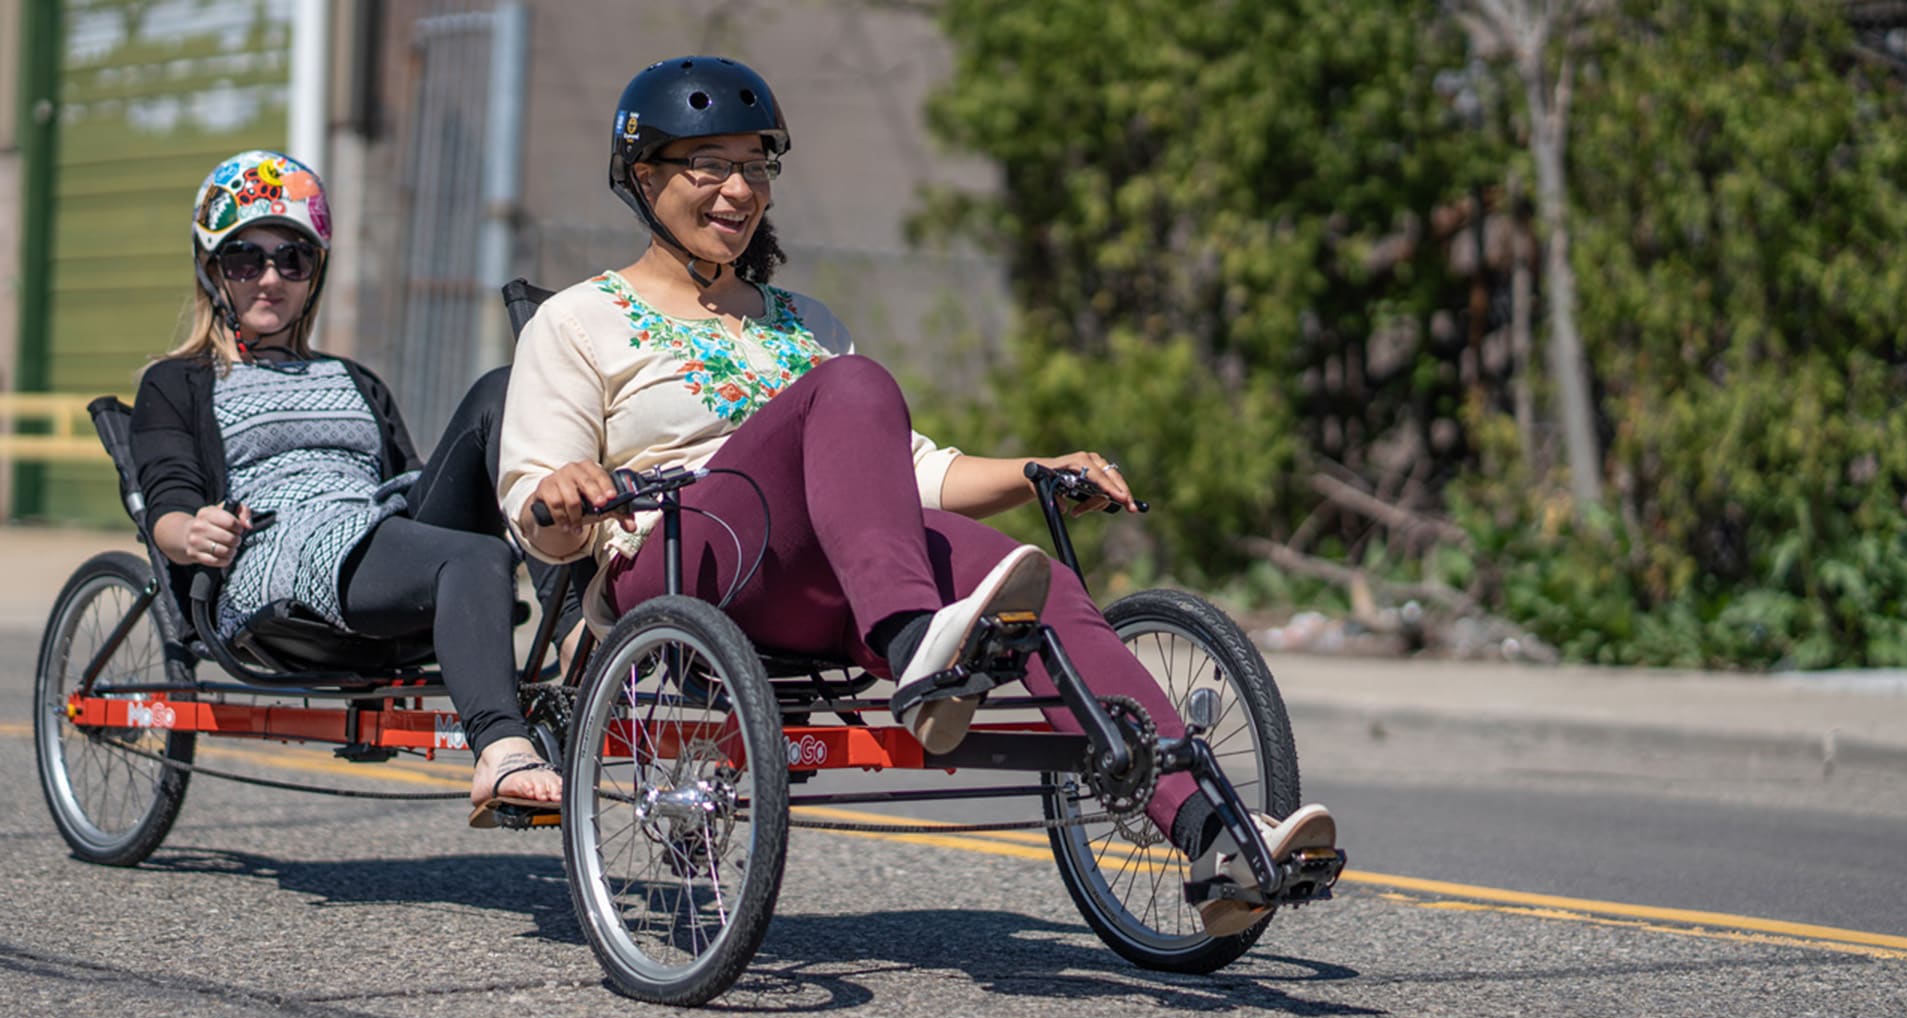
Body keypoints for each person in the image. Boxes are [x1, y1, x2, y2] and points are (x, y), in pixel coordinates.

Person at [497, 58, 1336, 935]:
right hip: (685, 561)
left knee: (1038, 581)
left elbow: (908, 473)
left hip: (822, 580)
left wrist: (1034, 471)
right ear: (643, 175)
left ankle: (1214, 836)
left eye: (754, 167)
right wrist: (561, 491)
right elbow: (536, 506)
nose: (738, 190)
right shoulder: (580, 319)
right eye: (709, 165)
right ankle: (915, 646)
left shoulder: (802, 321)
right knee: (851, 385)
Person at [131, 149, 566, 828]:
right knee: (475, 558)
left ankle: (573, 635)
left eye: (292, 259)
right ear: (213, 270)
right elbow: (167, 497)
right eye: (246, 259)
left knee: (504, 389)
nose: (270, 279)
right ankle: (502, 750)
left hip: (374, 530)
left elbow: (413, 488)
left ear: (315, 273)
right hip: (278, 551)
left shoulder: (355, 379)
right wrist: (190, 533)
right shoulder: (179, 380)